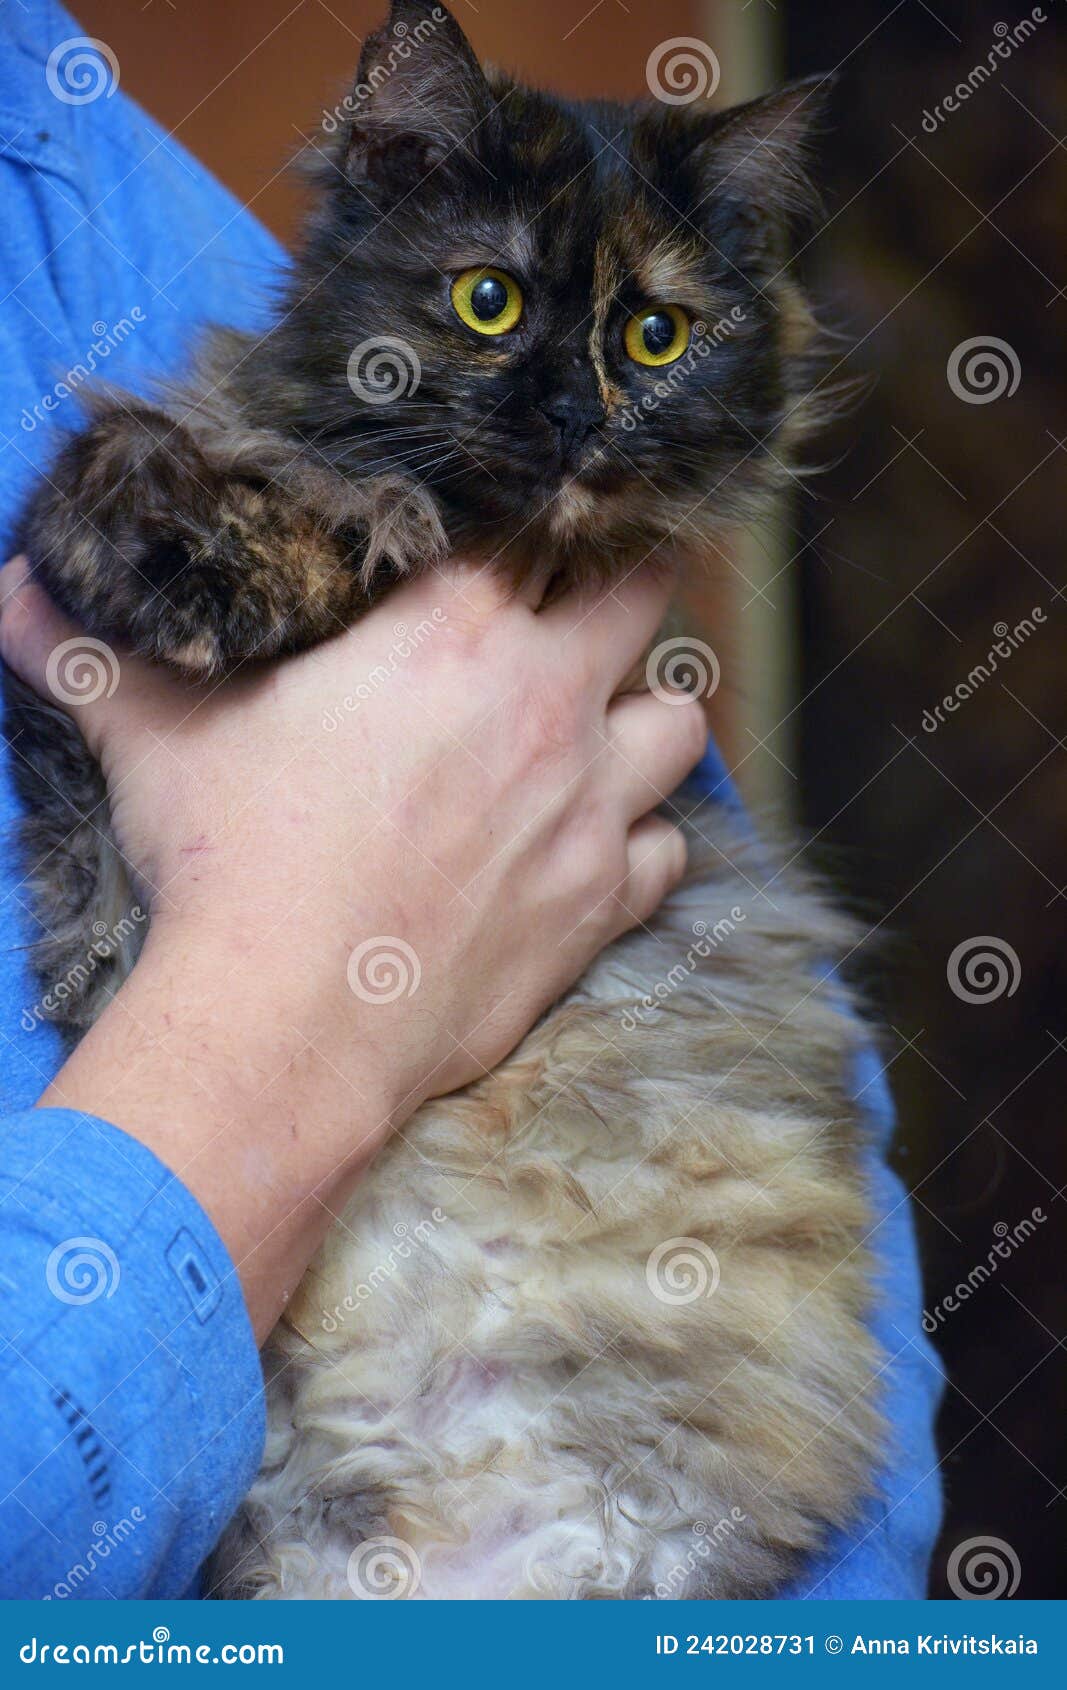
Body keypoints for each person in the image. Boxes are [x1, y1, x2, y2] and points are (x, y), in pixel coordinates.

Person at [0, 0, 942, 1602]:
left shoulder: (60, 142)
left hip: (664, 1468)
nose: (576, 404)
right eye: (492, 303)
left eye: (647, 339)